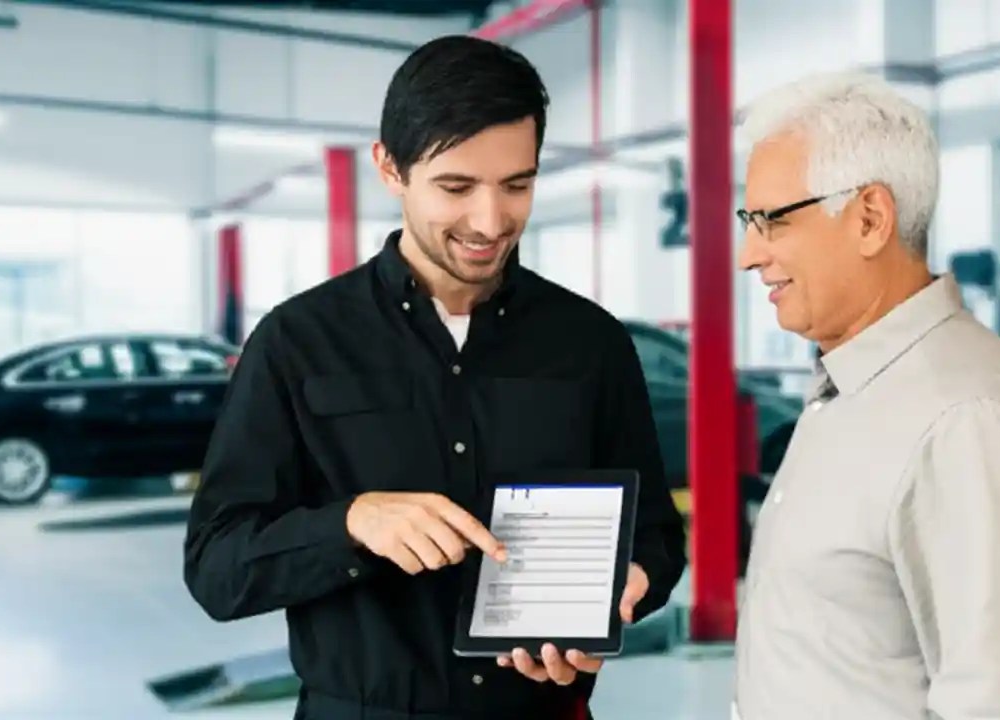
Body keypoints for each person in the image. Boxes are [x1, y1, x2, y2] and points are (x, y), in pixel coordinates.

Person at [183, 35, 686, 720]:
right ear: (390, 168)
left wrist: (628, 586)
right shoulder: (297, 342)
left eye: (517, 185)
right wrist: (352, 524)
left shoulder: (591, 343)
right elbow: (217, 568)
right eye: (456, 187)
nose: (490, 221)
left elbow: (655, 535)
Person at [731, 72, 1000, 720]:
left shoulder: (967, 423)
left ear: (870, 219)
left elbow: (999, 706)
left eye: (773, 221)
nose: (748, 254)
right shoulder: (852, 391)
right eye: (748, 221)